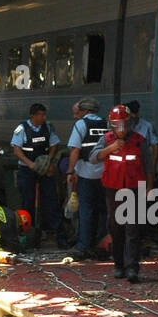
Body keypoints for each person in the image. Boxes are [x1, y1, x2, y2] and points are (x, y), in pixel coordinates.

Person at [90, 103, 148, 283]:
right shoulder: (106, 140)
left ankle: (132, 268)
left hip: (134, 189)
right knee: (116, 227)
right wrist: (113, 147)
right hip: (112, 190)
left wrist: (149, 188)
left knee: (132, 228)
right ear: (111, 125)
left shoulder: (139, 140)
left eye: (123, 125)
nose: (120, 129)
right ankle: (118, 265)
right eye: (116, 126)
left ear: (129, 123)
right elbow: (93, 157)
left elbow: (149, 166)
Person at [10, 103, 60, 244]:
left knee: (50, 199)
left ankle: (56, 232)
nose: (44, 117)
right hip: (27, 170)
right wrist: (30, 164)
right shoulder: (22, 129)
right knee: (28, 201)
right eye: (41, 115)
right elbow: (17, 150)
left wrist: (48, 160)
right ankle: (28, 234)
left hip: (43, 170)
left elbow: (54, 145)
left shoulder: (48, 127)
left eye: (45, 115)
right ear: (33, 115)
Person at [65, 97, 108, 261]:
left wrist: (70, 171)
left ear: (84, 111)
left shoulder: (81, 124)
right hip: (105, 174)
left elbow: (75, 150)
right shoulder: (106, 124)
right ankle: (102, 244)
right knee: (104, 210)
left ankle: (84, 245)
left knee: (86, 210)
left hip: (87, 174)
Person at [126, 100, 158, 176]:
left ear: (137, 114)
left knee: (142, 185)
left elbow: (155, 147)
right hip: (126, 165)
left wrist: (153, 166)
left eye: (132, 114)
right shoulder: (124, 126)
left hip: (141, 163)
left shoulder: (147, 126)